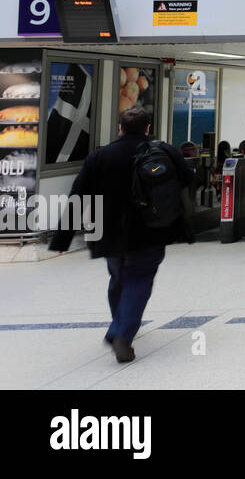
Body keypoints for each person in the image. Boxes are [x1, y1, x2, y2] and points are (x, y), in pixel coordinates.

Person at [48, 108, 195, 363]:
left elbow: (78, 195)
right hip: (150, 229)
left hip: (108, 231)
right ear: (147, 129)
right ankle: (122, 334)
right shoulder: (163, 151)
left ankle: (120, 324)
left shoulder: (99, 156)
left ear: (120, 128)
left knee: (118, 278)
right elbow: (188, 178)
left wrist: (62, 239)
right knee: (138, 280)